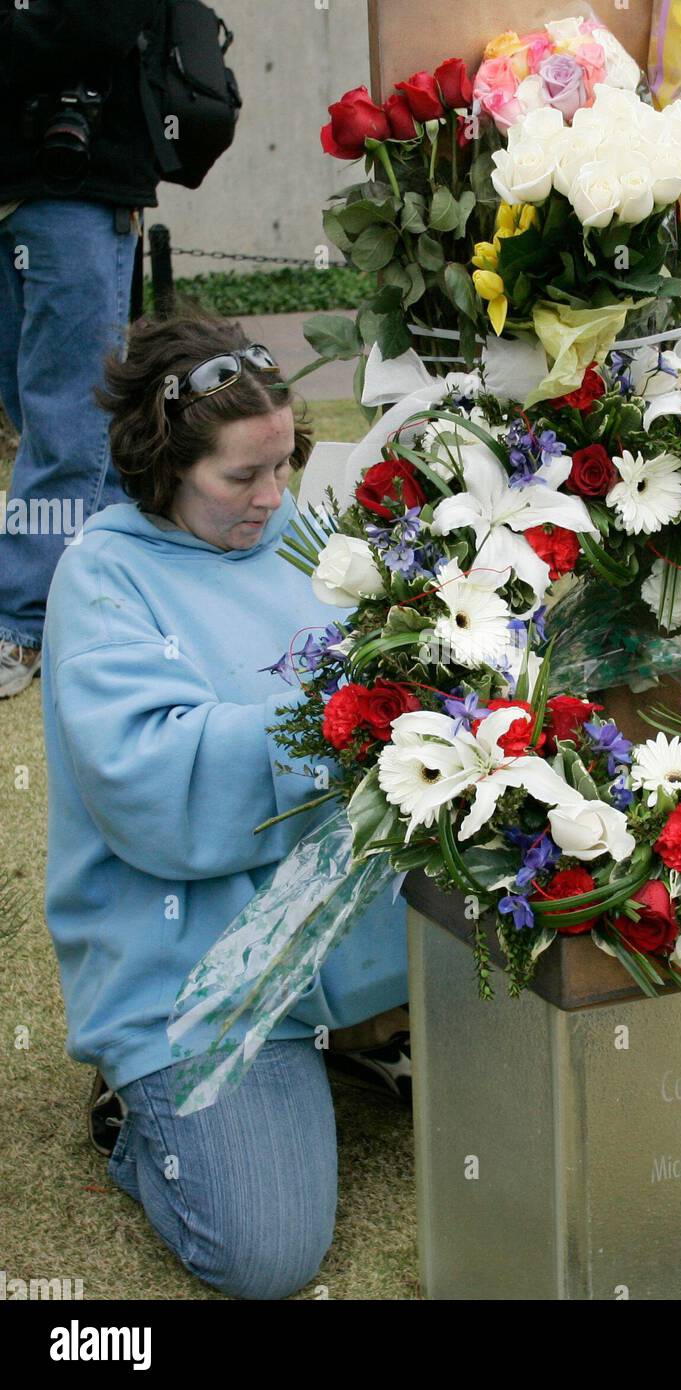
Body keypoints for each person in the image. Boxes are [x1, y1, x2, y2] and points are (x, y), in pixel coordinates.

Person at [42, 310, 409, 1300]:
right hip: (197, 955)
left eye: (285, 463)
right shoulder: (103, 578)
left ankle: (367, 1024)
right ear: (163, 466)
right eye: (241, 477)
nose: (272, 496)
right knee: (265, 1256)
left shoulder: (300, 534)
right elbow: (153, 784)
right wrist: (339, 715)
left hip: (341, 916)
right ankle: (142, 1117)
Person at [0, 0, 165, 697]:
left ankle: (21, 623)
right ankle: (135, 581)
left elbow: (98, 26)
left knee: (67, 420)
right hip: (17, 177)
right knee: (38, 410)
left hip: (77, 181)